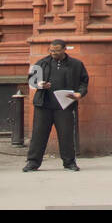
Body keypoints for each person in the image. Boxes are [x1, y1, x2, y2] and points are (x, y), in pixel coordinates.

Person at [23, 39, 89, 172]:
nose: (54, 53)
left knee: (66, 134)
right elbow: (31, 80)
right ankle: (33, 162)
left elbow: (84, 81)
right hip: (44, 104)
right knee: (38, 134)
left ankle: (69, 162)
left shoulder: (76, 64)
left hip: (65, 105)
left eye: (57, 50)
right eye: (51, 50)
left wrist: (79, 94)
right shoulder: (42, 63)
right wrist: (40, 85)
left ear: (65, 49)